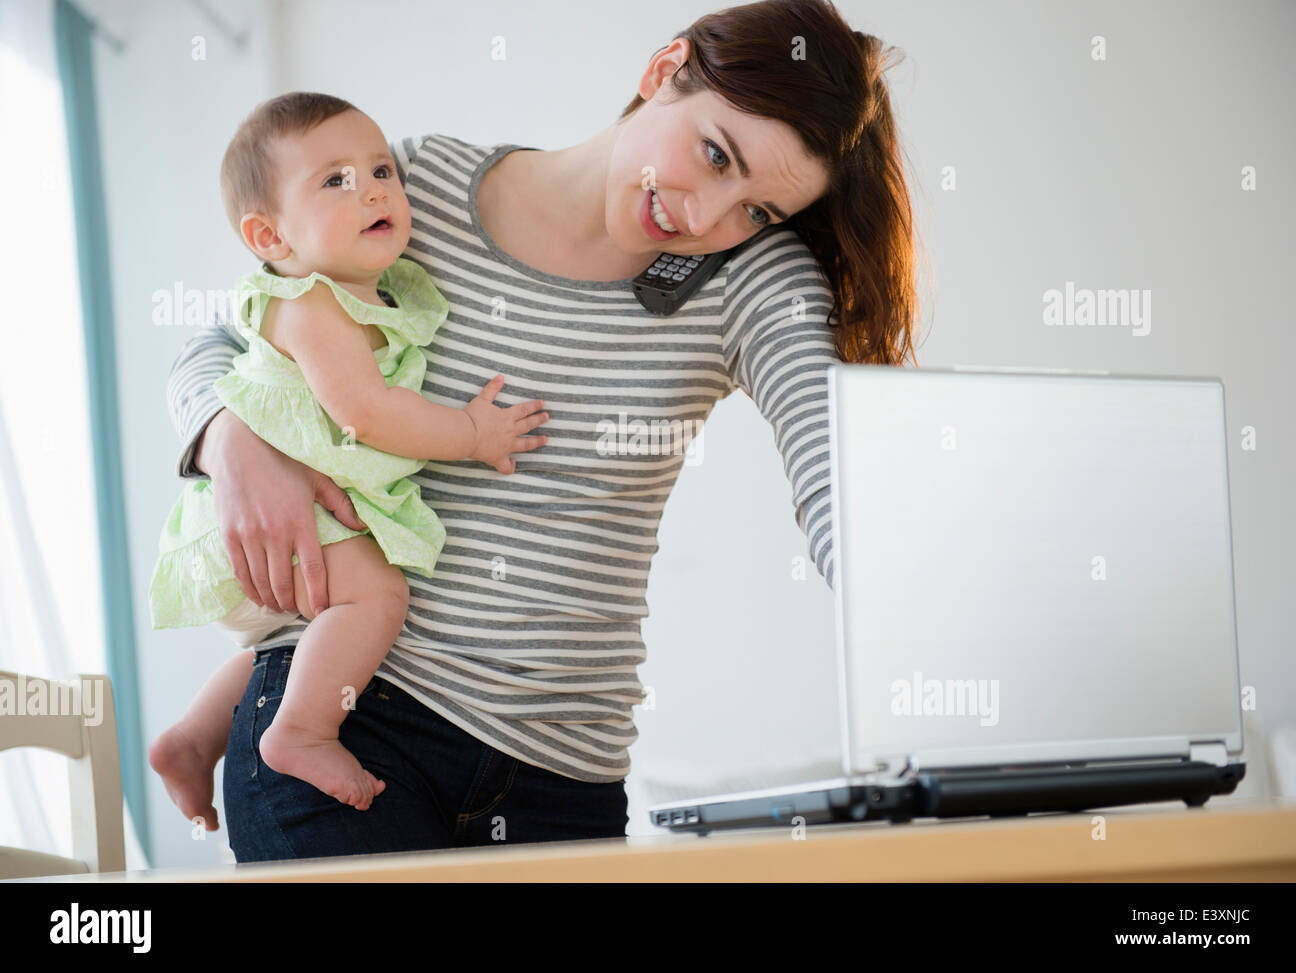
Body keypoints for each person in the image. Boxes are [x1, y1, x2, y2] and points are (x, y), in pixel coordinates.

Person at [162, 0, 924, 861]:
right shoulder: (422, 189)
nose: (706, 217)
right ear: (662, 69)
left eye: (755, 208)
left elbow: (838, 487)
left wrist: (927, 606)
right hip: (347, 721)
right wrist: (228, 441)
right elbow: (232, 335)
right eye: (715, 154)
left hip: (562, 779)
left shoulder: (752, 277)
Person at [147, 94, 548, 825]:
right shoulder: (312, 305)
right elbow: (366, 410)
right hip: (269, 515)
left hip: (293, 523)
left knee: (311, 641)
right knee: (377, 599)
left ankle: (194, 736)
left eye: (380, 169)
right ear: (269, 235)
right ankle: (301, 730)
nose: (370, 189)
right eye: (333, 180)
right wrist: (470, 432)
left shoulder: (364, 296)